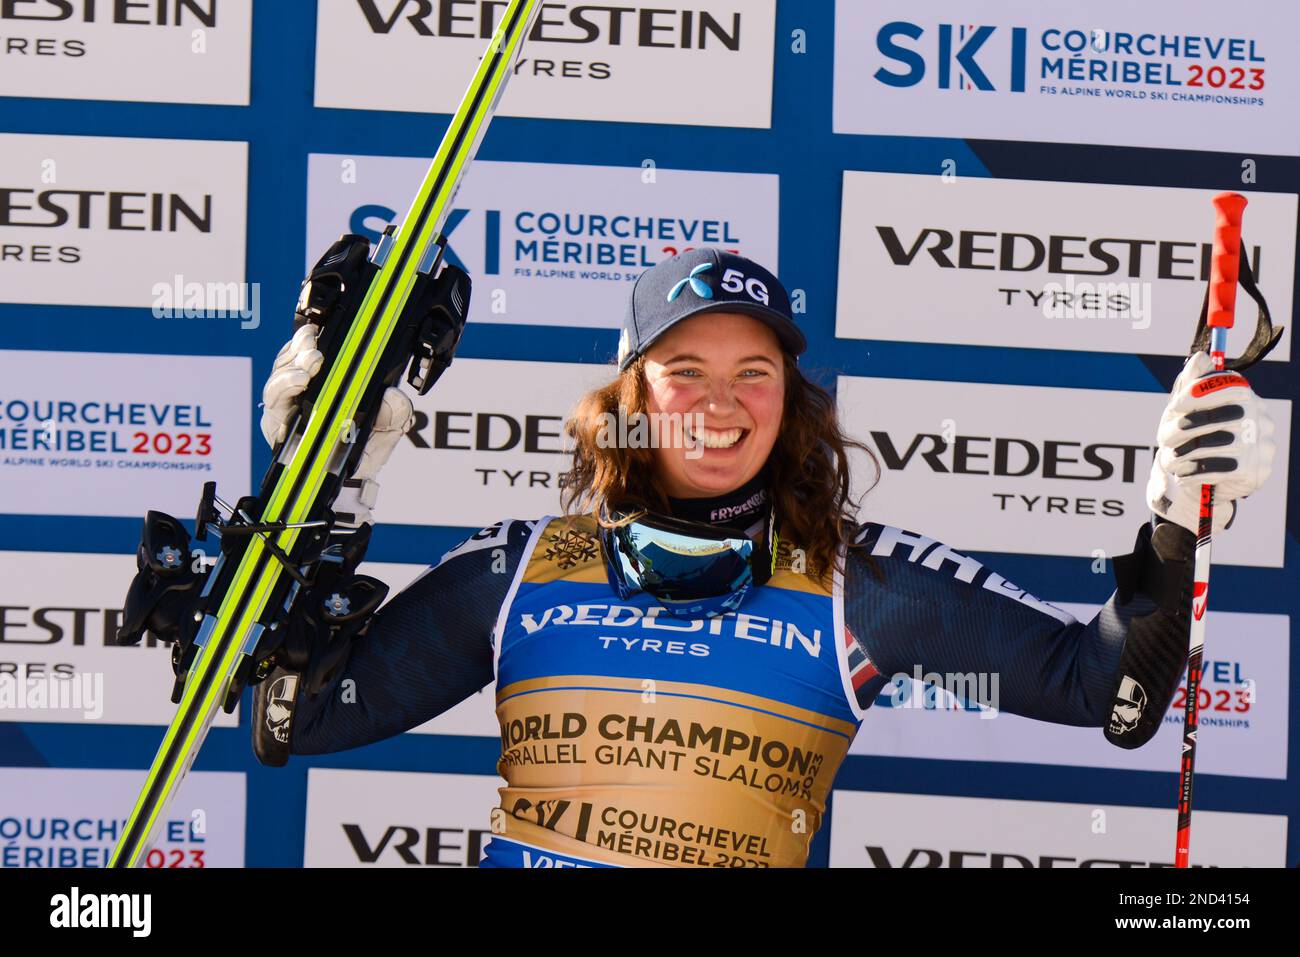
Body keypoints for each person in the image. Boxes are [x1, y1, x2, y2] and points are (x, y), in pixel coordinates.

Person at [255, 247, 1276, 868]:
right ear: (628, 400)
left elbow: (1108, 694)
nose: (718, 402)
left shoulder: (857, 581)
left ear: (791, 404)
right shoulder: (518, 569)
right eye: (682, 370)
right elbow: (301, 718)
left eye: (753, 372)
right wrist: (330, 476)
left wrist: (1177, 518)